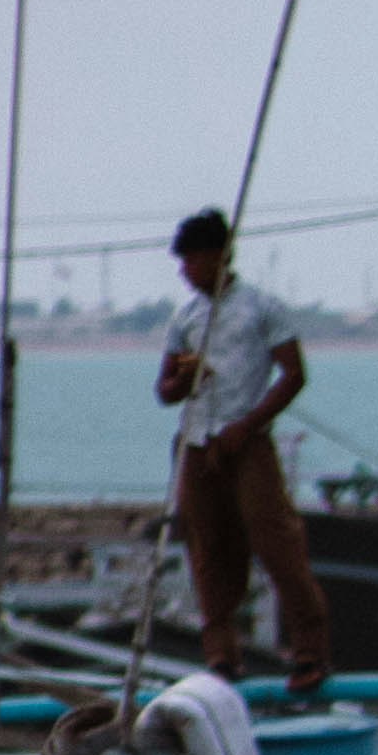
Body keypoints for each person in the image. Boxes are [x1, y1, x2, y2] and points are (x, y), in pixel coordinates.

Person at [156, 208, 329, 698]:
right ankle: (221, 653)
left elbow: (294, 373)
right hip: (197, 439)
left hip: (246, 439)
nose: (186, 271)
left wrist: (251, 423)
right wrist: (183, 380)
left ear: (216, 257)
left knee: (276, 542)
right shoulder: (185, 317)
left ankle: (310, 650)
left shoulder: (261, 308)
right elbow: (164, 389)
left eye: (191, 260)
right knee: (208, 550)